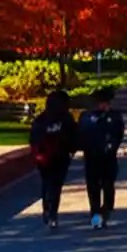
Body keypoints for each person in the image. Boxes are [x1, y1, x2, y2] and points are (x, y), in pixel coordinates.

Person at [78, 87, 126, 229]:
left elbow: (119, 133)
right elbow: (80, 133)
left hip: (108, 157)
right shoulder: (86, 117)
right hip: (92, 157)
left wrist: (113, 146)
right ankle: (95, 213)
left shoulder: (115, 116)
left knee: (107, 185)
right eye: (99, 102)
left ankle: (106, 210)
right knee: (93, 187)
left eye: (104, 102)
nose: (102, 105)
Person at [29, 90, 77, 229]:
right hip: (59, 157)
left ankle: (47, 209)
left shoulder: (41, 120)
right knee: (56, 185)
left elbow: (33, 139)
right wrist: (72, 149)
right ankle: (52, 213)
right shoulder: (66, 118)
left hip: (45, 158)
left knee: (47, 183)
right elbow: (74, 135)